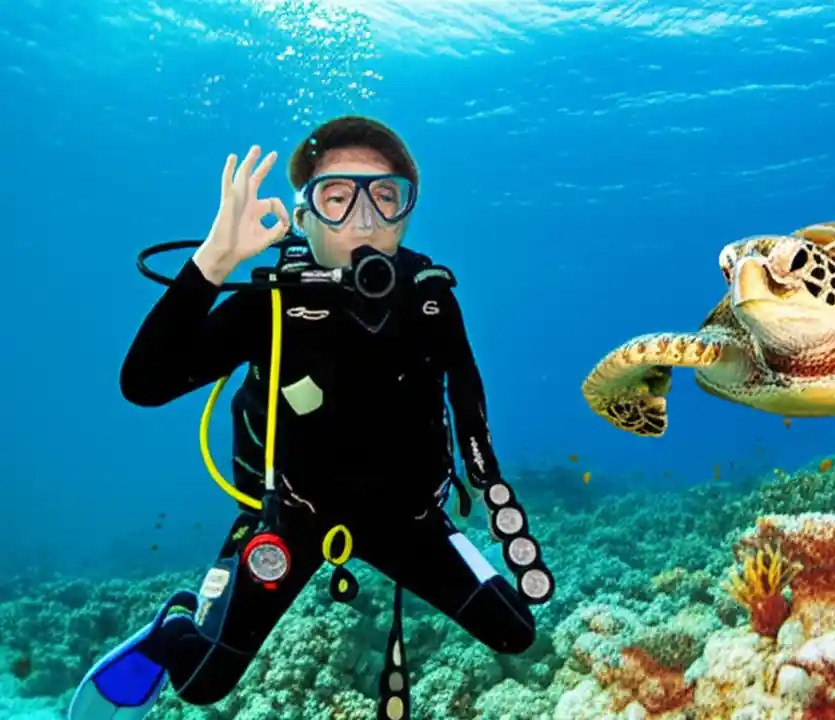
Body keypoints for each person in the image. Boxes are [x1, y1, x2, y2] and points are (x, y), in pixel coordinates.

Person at [68, 116, 550, 720]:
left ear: (406, 213)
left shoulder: (430, 301)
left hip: (407, 520)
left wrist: (486, 476)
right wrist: (214, 259)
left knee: (516, 632)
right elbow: (144, 383)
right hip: (292, 518)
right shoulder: (270, 305)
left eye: (386, 196)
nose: (365, 219)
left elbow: (466, 390)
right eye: (337, 198)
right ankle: (175, 624)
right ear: (304, 217)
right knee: (202, 682)